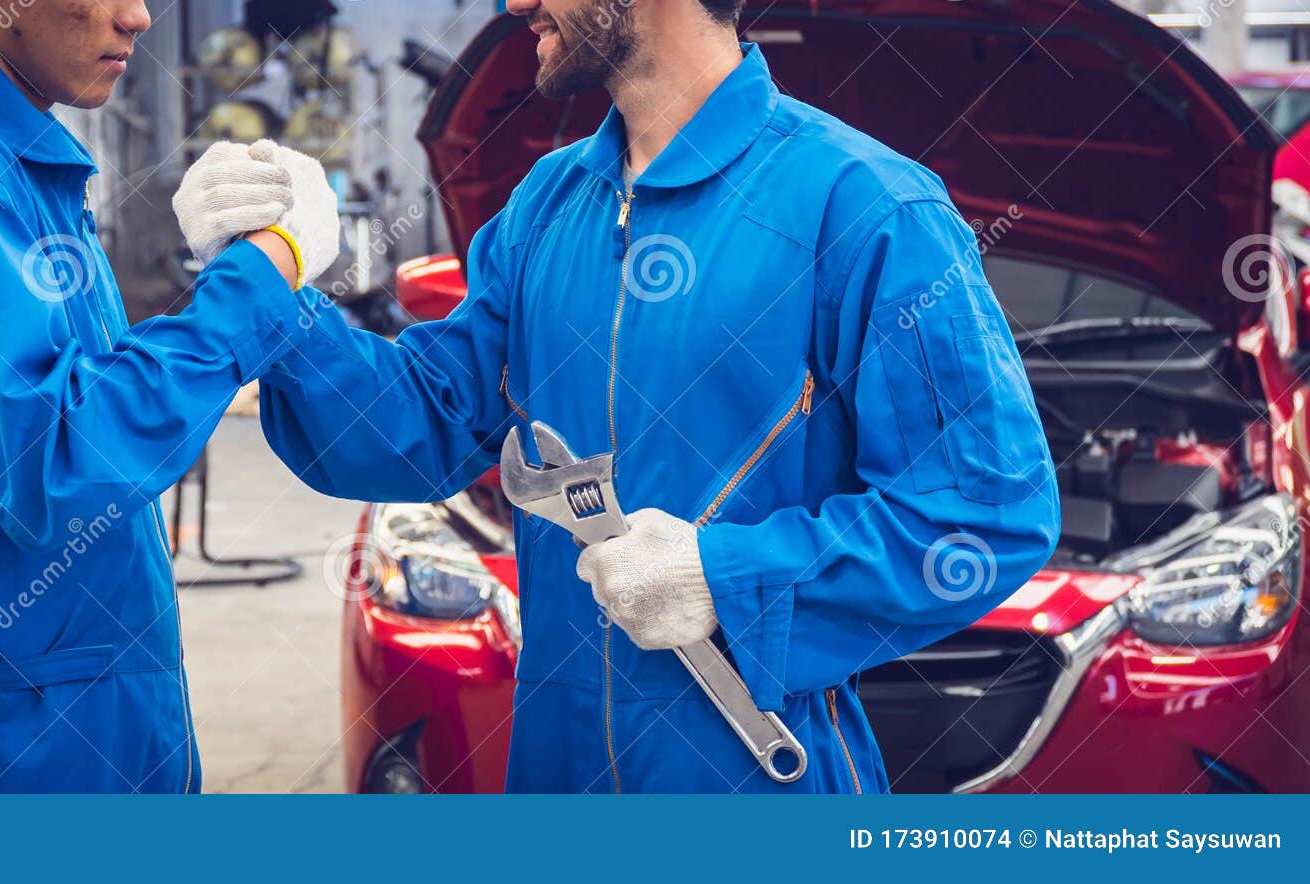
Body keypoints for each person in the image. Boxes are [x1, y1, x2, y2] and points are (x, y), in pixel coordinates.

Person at [184, 0, 1060, 793]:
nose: (518, 4)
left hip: (753, 783)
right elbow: (419, 419)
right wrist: (272, 286)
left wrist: (725, 578)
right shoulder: (547, 206)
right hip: (558, 771)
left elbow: (984, 511)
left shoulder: (867, 207)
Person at [0, 0, 334, 792]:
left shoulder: (6, 159)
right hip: (25, 744)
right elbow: (54, 456)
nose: (138, 18)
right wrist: (259, 275)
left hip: (78, 703)